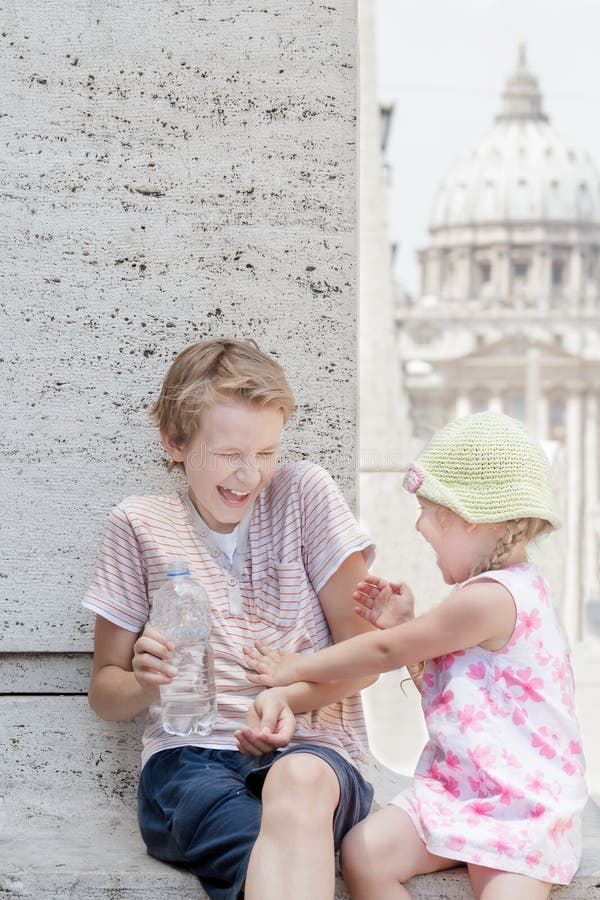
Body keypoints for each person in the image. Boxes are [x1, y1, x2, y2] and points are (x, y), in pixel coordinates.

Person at [245, 412, 588, 900]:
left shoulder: (491, 599)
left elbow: (383, 651)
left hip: (521, 807)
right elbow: (447, 685)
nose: (419, 523)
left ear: (471, 519)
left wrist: (293, 666)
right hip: (458, 792)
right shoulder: (481, 597)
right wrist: (405, 626)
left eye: (428, 510)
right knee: (364, 852)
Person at [83, 338, 378, 900]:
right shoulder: (139, 524)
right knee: (260, 847)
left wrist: (287, 699)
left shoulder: (304, 495)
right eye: (227, 455)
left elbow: (366, 660)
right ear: (175, 442)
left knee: (300, 781)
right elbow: (104, 692)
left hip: (316, 749)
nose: (249, 475)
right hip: (188, 761)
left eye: (266, 453)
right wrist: (145, 683)